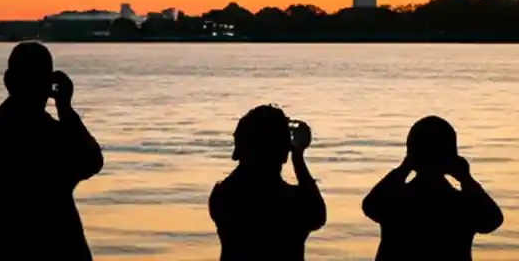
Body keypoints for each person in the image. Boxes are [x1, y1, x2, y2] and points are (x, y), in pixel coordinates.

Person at [0, 41, 103, 261]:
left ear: (8, 81)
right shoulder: (57, 142)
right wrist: (65, 108)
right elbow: (92, 160)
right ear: (49, 85)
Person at [362, 115, 503, 260]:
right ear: (452, 158)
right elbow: (493, 220)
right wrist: (466, 179)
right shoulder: (462, 205)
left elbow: (370, 205)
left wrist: (403, 169)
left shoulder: (395, 201)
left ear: (411, 155)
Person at [209, 105, 327, 261]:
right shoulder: (293, 203)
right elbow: (317, 217)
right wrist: (298, 157)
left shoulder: (224, 196)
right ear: (284, 152)